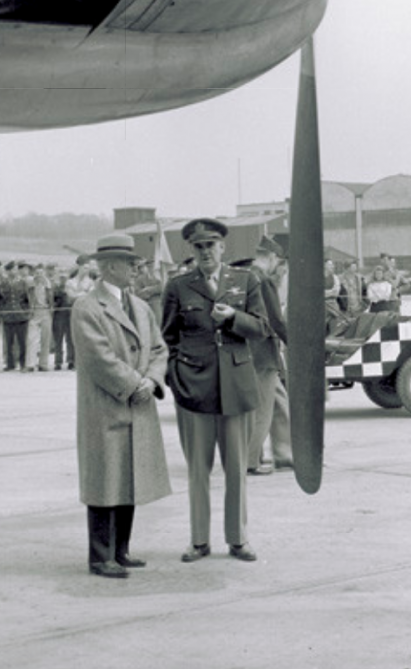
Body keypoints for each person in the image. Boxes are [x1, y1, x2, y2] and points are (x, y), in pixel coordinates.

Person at [162, 218, 268, 564]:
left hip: (235, 387)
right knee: (198, 469)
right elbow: (167, 337)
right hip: (195, 387)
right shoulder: (178, 286)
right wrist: (177, 375)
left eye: (211, 245)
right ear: (191, 250)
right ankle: (199, 540)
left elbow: (262, 328)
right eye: (199, 246)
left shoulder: (245, 280)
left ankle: (238, 539)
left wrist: (233, 317)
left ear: (223, 247)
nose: (205, 252)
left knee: (236, 467)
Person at [70, 233, 170, 578]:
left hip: (137, 403)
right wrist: (134, 384)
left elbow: (159, 349)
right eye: (130, 264)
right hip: (106, 407)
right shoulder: (86, 307)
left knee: (128, 478)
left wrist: (152, 381)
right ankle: (100, 557)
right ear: (110, 266)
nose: (136, 269)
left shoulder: (140, 306)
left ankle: (120, 550)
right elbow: (99, 359)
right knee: (104, 480)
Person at [246, 236, 292, 476]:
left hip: (253, 352)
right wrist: (292, 343)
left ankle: (285, 455)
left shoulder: (247, 275)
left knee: (279, 402)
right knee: (263, 410)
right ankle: (251, 460)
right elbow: (275, 319)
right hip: (263, 353)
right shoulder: (263, 281)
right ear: (272, 257)